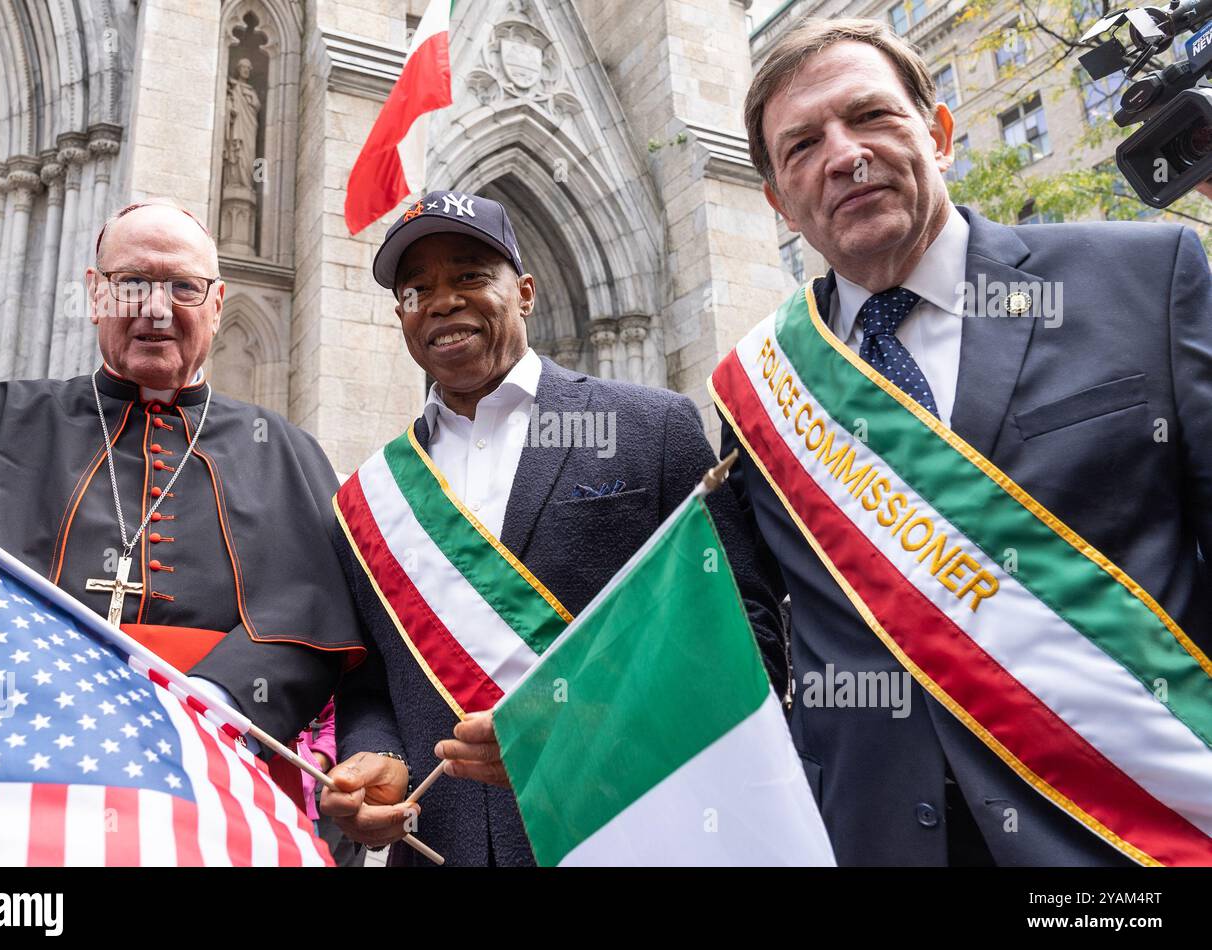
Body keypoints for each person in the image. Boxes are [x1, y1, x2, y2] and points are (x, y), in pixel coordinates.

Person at [713, 17, 1212, 866]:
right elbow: (738, 640)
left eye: (870, 116)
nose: (844, 156)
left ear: (939, 134)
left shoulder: (1146, 278)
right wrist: (565, 740)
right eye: (802, 146)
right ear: (778, 202)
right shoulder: (756, 392)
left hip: (1131, 835)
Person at [321, 190, 784, 865]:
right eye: (417, 290)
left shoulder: (652, 429)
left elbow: (748, 641)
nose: (442, 300)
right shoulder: (367, 499)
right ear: (402, 318)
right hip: (440, 848)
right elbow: (368, 686)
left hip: (629, 833)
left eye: (470, 276)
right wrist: (376, 760)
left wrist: (581, 729)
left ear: (527, 293)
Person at [0, 201, 366, 863]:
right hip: (30, 768)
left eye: (183, 286)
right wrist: (56, 708)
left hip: (218, 778)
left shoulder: (286, 452)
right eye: (132, 284)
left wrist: (201, 710)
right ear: (96, 295)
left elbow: (317, 616)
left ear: (217, 303)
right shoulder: (2, 422)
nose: (157, 307)